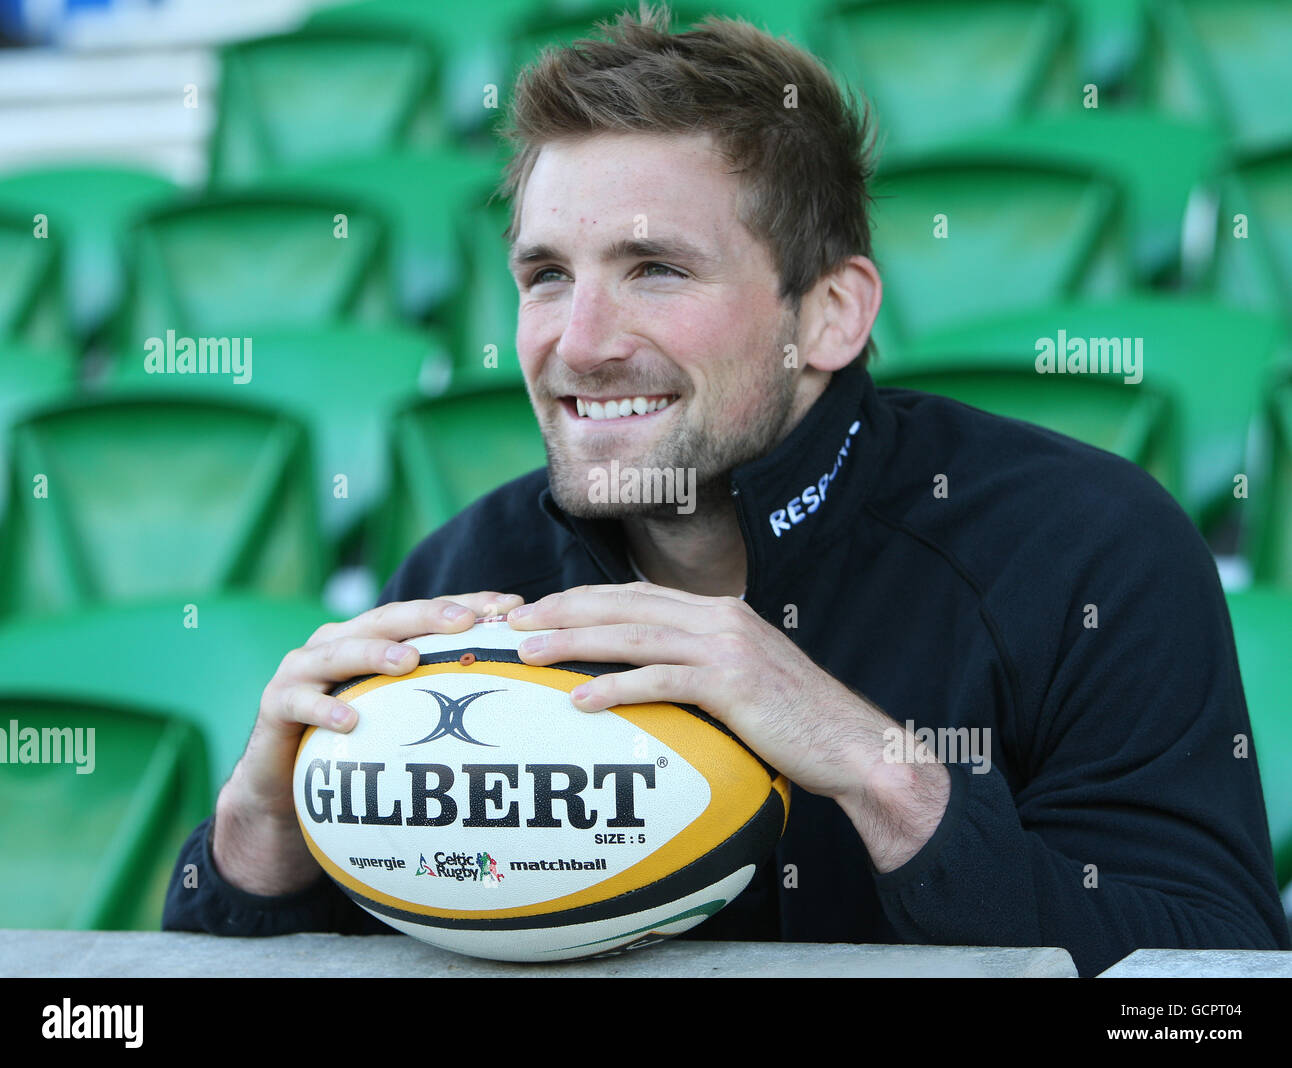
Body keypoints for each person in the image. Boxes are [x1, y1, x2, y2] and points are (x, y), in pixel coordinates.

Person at [163, 5, 1290, 976]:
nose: (581, 342)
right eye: (545, 275)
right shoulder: (463, 582)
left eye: (656, 269)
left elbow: (1199, 994)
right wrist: (255, 845)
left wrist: (883, 775)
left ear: (830, 314)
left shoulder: (1085, 549)